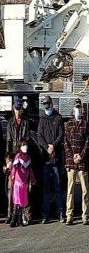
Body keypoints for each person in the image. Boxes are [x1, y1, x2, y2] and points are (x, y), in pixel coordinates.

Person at [36, 95, 65, 224]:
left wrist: (53, 145)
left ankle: (60, 213)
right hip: (46, 159)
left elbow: (61, 134)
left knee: (58, 187)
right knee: (46, 188)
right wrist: (47, 147)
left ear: (51, 104)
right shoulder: (42, 119)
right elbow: (39, 136)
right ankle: (46, 214)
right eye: (44, 104)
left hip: (56, 158)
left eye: (47, 104)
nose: (46, 106)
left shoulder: (58, 118)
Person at [63, 98, 89, 225]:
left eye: (79, 107)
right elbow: (66, 143)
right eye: (76, 107)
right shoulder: (68, 125)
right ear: (73, 109)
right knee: (70, 191)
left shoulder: (86, 124)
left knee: (85, 190)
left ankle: (85, 215)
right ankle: (69, 215)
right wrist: (72, 155)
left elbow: (88, 142)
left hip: (83, 162)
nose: (78, 110)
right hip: (71, 162)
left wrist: (81, 155)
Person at [5, 96, 31, 225]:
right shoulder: (10, 123)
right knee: (11, 188)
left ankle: (24, 215)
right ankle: (11, 214)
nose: (18, 111)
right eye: (16, 108)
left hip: (23, 159)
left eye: (19, 108)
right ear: (13, 108)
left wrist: (22, 155)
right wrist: (8, 159)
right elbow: (8, 142)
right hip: (14, 159)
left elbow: (26, 140)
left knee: (24, 188)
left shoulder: (26, 122)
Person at [7, 140, 35, 227]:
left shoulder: (28, 157)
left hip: (24, 183)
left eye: (26, 145)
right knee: (17, 200)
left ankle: (19, 220)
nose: (25, 147)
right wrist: (12, 176)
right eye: (23, 145)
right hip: (18, 182)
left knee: (22, 201)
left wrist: (32, 178)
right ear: (20, 147)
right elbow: (14, 168)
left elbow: (30, 170)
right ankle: (14, 219)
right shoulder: (18, 156)